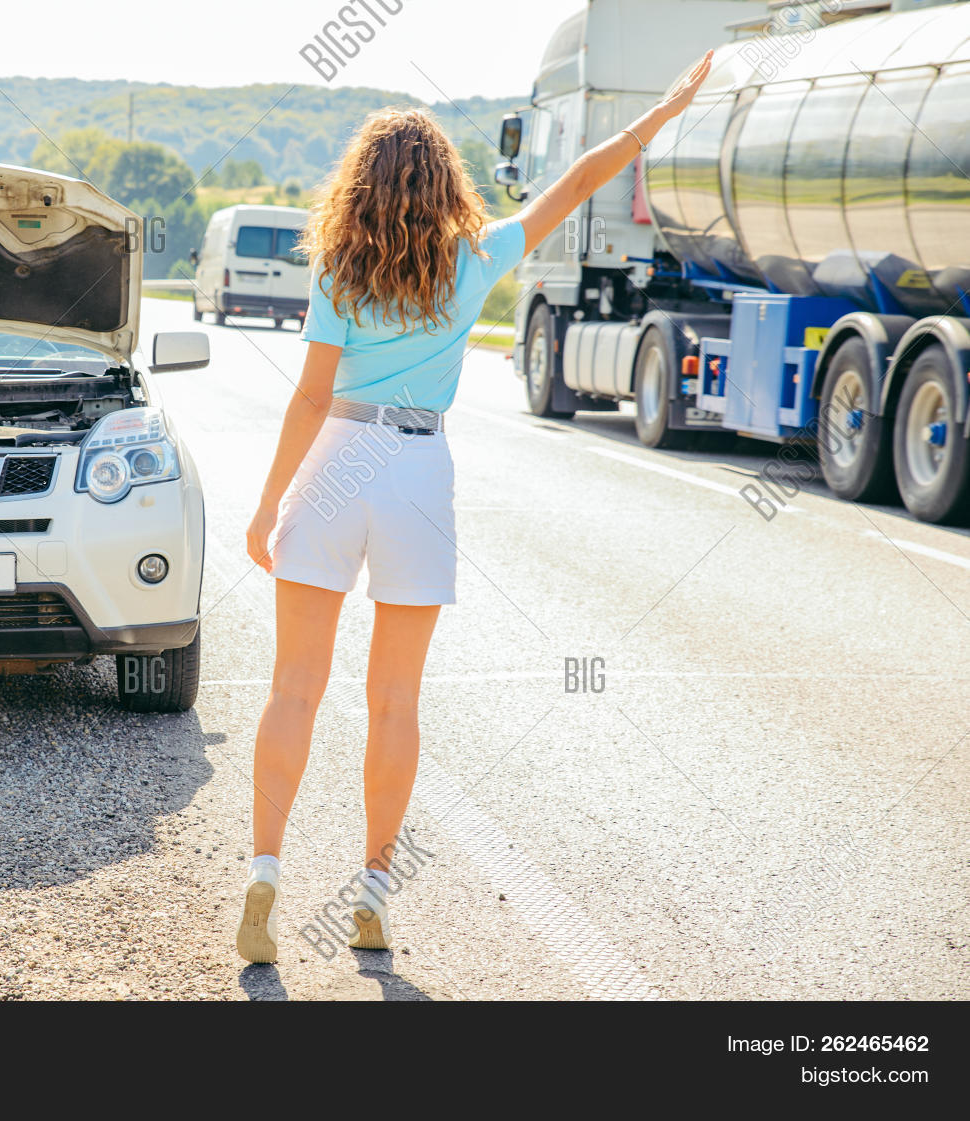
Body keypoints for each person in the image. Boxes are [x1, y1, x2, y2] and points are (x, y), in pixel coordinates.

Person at [235, 52, 715, 963]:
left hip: (339, 456)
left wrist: (269, 506)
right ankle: (374, 886)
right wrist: (660, 112)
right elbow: (577, 179)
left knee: (293, 686)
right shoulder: (475, 256)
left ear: (360, 187)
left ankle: (265, 871)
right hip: (418, 466)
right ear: (444, 183)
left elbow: (307, 398)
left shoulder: (339, 266)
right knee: (395, 698)